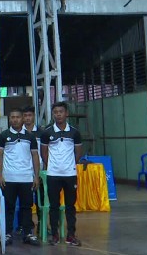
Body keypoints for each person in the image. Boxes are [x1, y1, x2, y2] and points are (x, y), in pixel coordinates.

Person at [0, 108, 41, 246]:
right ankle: (7, 233)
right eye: (12, 117)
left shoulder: (30, 136)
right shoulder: (3, 135)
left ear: (22, 119)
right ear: (9, 119)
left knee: (27, 207)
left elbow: (35, 156)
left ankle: (27, 233)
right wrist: (0, 174)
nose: (15, 119)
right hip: (8, 178)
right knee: (8, 207)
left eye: (17, 117)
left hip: (27, 178)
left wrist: (36, 176)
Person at [40, 102, 84, 246]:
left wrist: (70, 164)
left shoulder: (75, 132)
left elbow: (78, 152)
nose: (58, 114)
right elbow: (44, 152)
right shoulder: (47, 132)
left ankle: (71, 235)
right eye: (55, 112)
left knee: (70, 206)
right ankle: (55, 235)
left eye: (61, 111)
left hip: (70, 174)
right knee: (54, 206)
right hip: (53, 174)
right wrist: (51, 165)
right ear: (53, 115)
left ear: (66, 113)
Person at [22, 105, 45, 234]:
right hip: (24, 171)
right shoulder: (18, 132)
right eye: (25, 116)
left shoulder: (42, 133)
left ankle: (41, 224)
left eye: (29, 115)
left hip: (39, 170)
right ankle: (26, 225)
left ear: (34, 117)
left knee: (40, 199)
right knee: (26, 201)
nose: (27, 118)